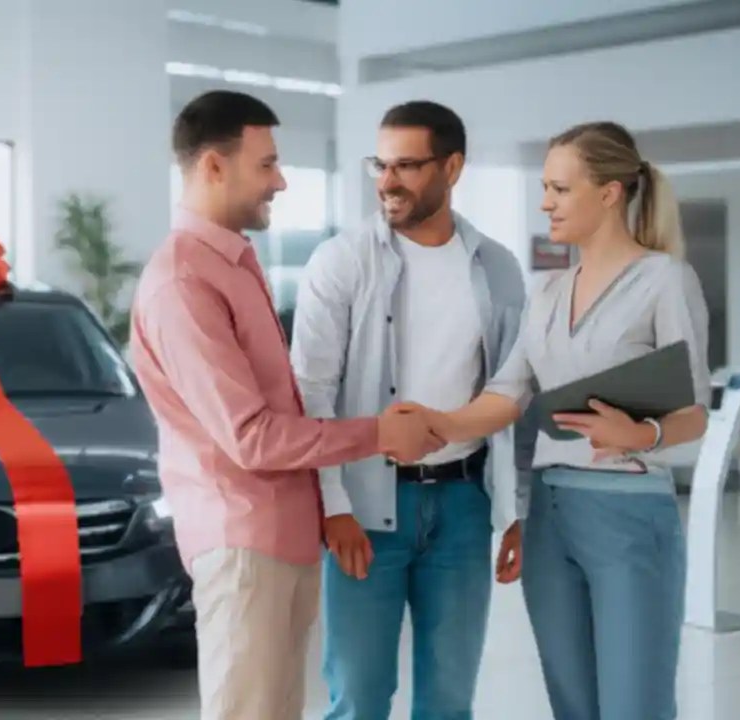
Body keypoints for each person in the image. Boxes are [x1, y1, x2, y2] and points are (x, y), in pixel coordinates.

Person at [128, 89, 444, 720]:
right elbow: (251, 436)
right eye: (266, 164)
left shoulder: (233, 262)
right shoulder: (184, 282)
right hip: (244, 544)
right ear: (214, 166)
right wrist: (378, 434)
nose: (280, 181)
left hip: (278, 540)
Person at [407, 120, 711, 720]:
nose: (545, 201)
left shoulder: (664, 280)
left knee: (634, 707)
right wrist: (437, 424)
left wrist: (642, 434)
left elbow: (694, 413)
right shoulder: (547, 292)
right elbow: (507, 394)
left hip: (629, 514)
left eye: (560, 189)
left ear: (610, 192)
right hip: (550, 516)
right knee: (573, 706)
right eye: (544, 187)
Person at [289, 100, 535, 720]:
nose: (387, 181)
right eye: (381, 164)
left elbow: (514, 394)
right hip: (367, 509)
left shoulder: (498, 268)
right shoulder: (341, 263)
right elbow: (310, 393)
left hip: (463, 504)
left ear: (452, 167)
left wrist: (512, 511)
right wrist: (334, 505)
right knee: (360, 698)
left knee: (450, 702)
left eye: (407, 166)